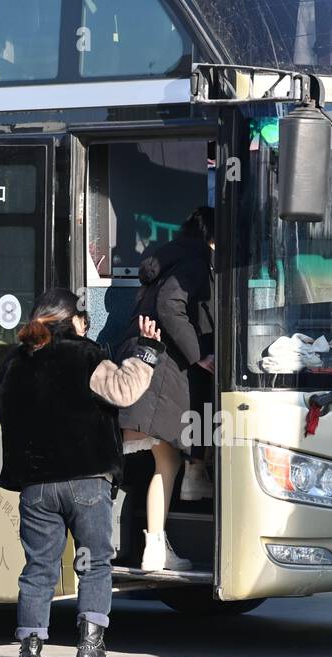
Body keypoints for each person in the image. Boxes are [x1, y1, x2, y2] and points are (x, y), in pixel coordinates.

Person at [0, 288, 164, 657]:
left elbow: (3, 413)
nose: (86, 326)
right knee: (94, 564)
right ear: (72, 320)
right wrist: (147, 351)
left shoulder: (11, 364)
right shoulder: (85, 354)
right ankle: (90, 650)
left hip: (36, 488)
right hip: (86, 481)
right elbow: (124, 390)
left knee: (39, 569)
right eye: (84, 320)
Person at [119, 206, 217, 571]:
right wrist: (200, 355)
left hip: (147, 367)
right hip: (165, 374)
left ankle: (157, 545)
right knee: (167, 462)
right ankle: (156, 548)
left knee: (165, 461)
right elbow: (170, 305)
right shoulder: (194, 262)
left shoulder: (168, 259)